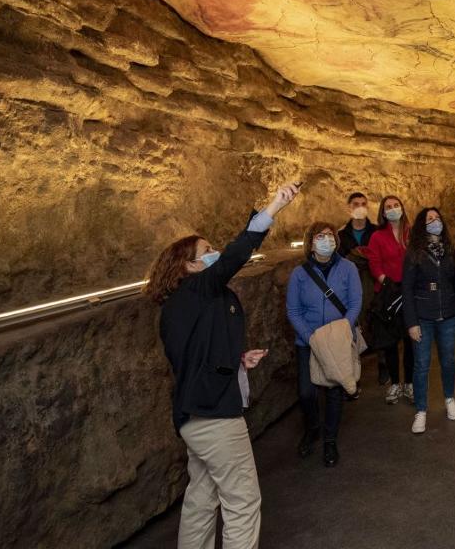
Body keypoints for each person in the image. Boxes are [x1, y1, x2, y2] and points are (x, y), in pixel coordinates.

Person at [147, 182, 300, 549]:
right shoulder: (200, 288)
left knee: (202, 497)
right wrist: (274, 207)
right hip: (215, 417)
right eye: (208, 250)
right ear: (190, 265)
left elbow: (195, 353)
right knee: (242, 500)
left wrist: (237, 359)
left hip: (191, 416)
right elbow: (236, 253)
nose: (216, 253)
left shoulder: (182, 304)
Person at [286, 222, 362, 467]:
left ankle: (330, 439)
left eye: (330, 235)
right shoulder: (300, 274)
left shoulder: (348, 268)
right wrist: (310, 337)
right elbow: (293, 310)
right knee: (306, 392)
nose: (326, 239)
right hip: (307, 341)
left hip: (337, 341)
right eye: (321, 236)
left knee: (334, 391)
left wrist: (342, 330)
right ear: (311, 241)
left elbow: (355, 303)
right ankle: (312, 428)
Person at [402, 207, 455, 434]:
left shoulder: (451, 250)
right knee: (421, 365)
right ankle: (421, 410)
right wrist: (411, 322)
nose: (435, 221)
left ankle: (449, 399)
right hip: (422, 318)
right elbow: (406, 289)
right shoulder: (414, 252)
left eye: (437, 218)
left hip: (447, 315)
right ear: (421, 225)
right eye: (429, 219)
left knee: (448, 360)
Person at [366, 194, 414, 404]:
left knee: (411, 340)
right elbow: (374, 262)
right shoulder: (377, 236)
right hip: (388, 293)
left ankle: (410, 384)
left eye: (396, 205)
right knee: (391, 342)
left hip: (409, 293)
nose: (393, 209)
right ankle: (395, 383)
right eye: (388, 207)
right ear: (383, 213)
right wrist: (387, 282)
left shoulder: (411, 233)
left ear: (402, 208)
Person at [338, 192, 381, 388]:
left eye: (364, 204)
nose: (360, 207)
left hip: (373, 284)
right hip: (351, 287)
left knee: (377, 324)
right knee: (355, 328)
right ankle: (355, 372)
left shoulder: (376, 232)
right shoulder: (340, 235)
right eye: (356, 204)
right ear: (349, 207)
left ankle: (383, 365)